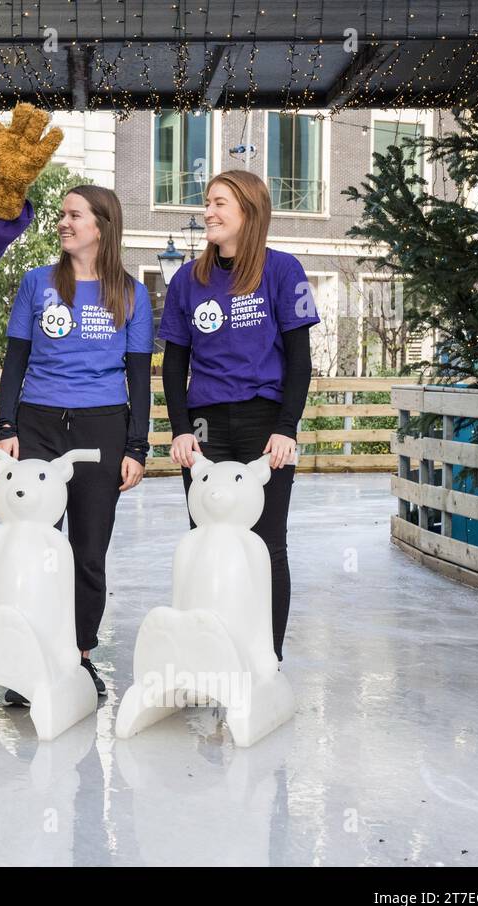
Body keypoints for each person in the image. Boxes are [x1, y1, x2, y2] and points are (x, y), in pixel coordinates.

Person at [0, 184, 154, 701]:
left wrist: (136, 447)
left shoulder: (130, 293)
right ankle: (29, 657)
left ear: (102, 226)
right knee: (35, 546)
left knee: (88, 550)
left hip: (102, 427)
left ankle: (80, 655)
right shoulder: (36, 283)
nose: (63, 223)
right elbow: (15, 358)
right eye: (62, 215)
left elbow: (138, 377)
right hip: (38, 423)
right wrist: (6, 427)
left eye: (74, 215)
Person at [159, 169, 320, 664]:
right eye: (207, 202)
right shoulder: (189, 278)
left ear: (247, 212)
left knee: (267, 544)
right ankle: (207, 655)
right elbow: (174, 362)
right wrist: (181, 429)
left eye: (219, 203)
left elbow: (300, 359)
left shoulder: (282, 270)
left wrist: (286, 427)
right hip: (206, 425)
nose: (208, 211)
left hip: (263, 422)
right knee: (206, 541)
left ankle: (265, 658)